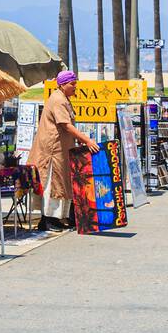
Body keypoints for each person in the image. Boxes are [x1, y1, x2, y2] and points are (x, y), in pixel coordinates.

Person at [27, 70, 99, 232]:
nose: (75, 87)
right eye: (72, 84)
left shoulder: (63, 99)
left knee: (62, 182)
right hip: (53, 150)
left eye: (75, 83)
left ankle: (58, 218)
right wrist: (86, 140)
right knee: (53, 183)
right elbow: (65, 125)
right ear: (62, 85)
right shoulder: (58, 100)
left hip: (62, 149)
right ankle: (48, 219)